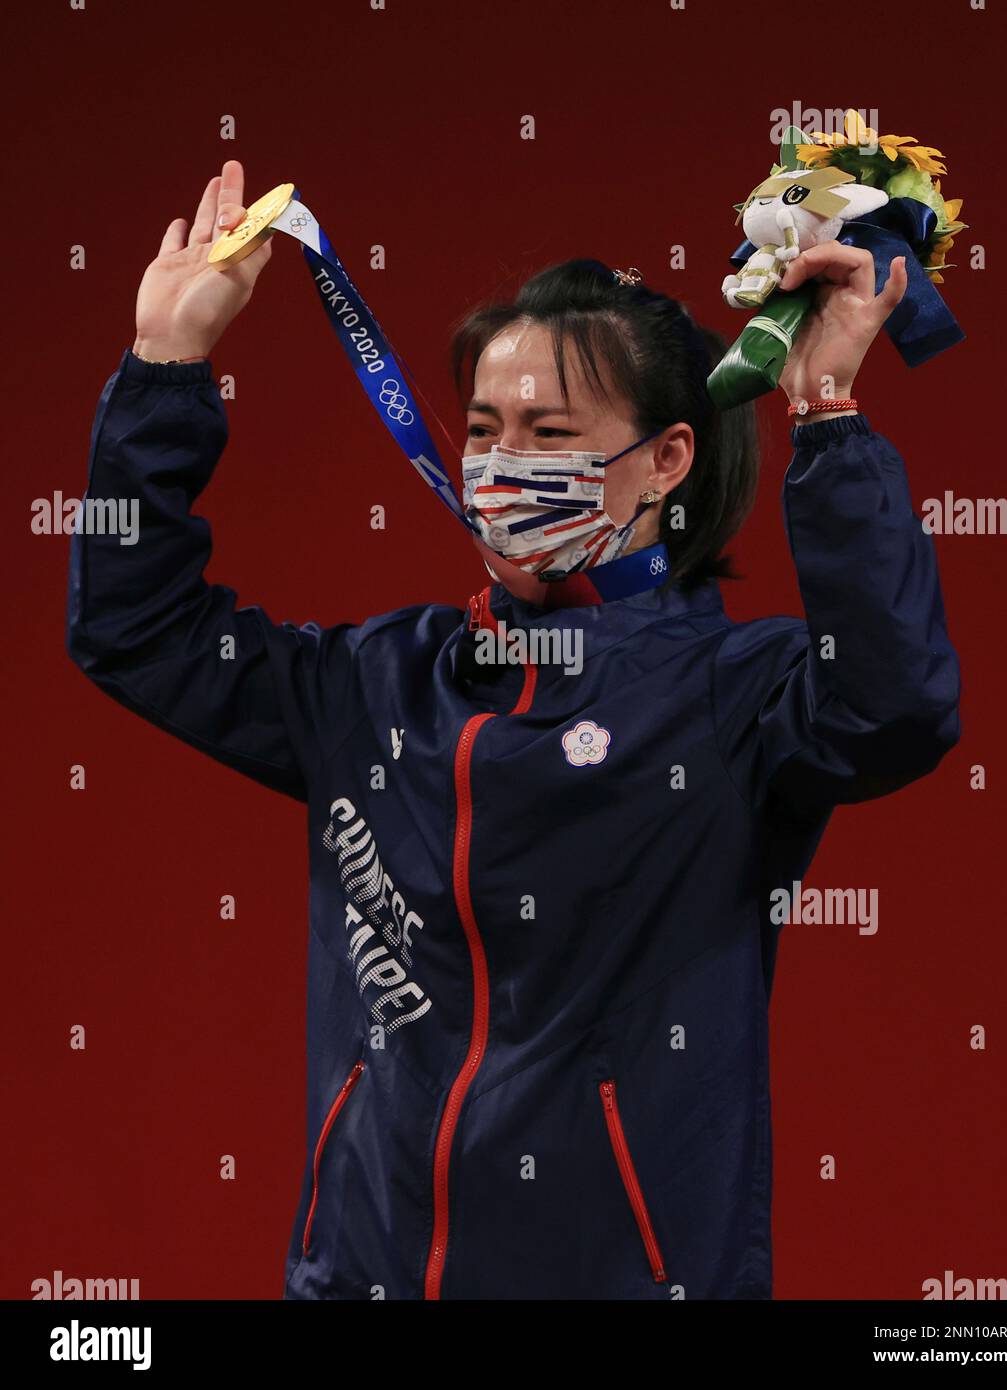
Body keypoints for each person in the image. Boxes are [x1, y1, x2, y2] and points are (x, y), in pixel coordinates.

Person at [66, 160, 960, 1300]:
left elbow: (897, 709)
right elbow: (131, 628)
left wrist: (826, 413)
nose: (499, 463)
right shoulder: (377, 685)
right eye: (484, 426)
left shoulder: (733, 694)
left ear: (664, 462)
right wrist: (164, 368)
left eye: (547, 429)